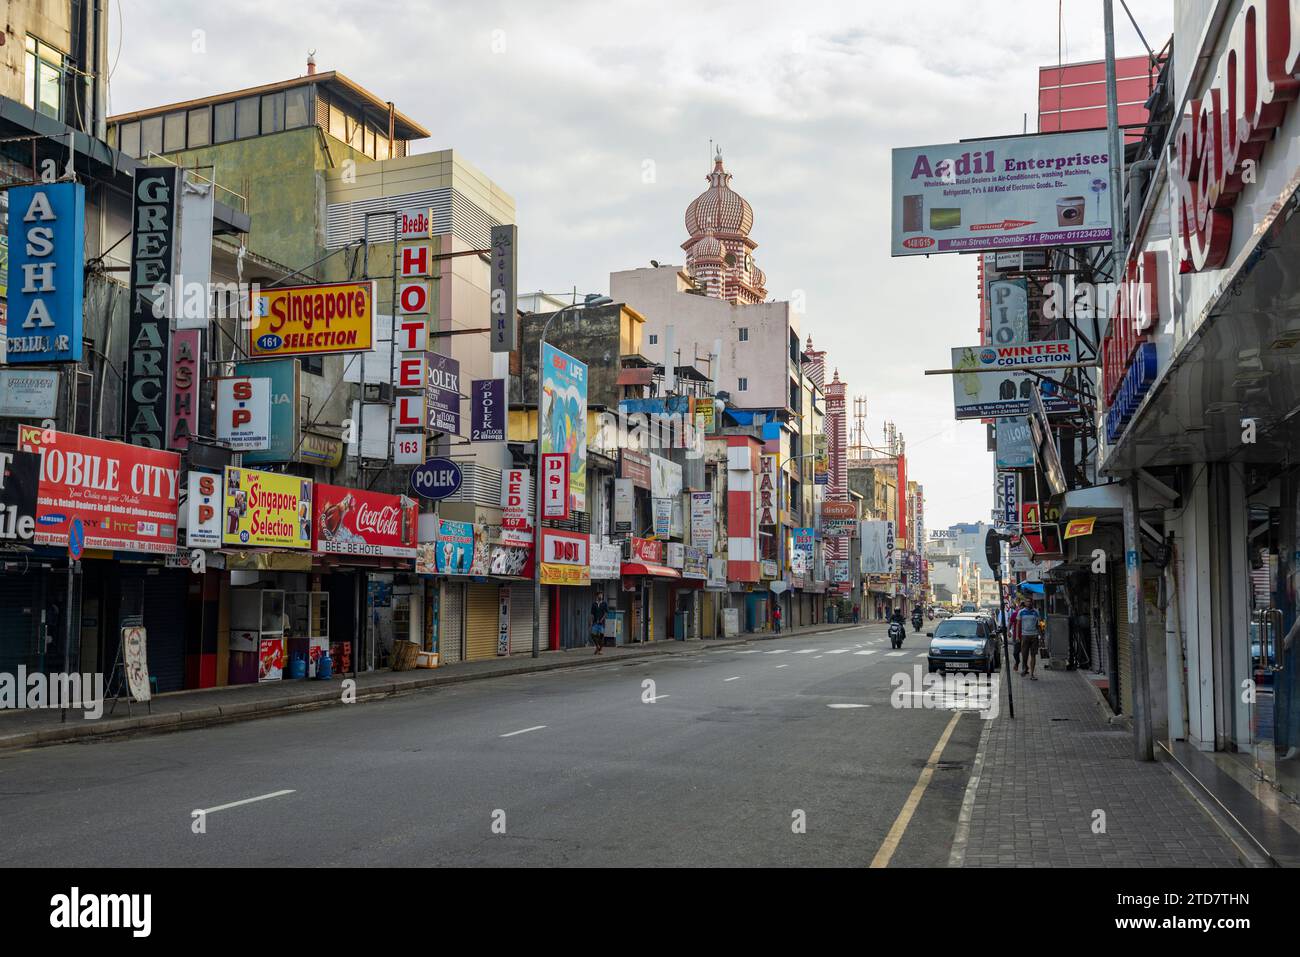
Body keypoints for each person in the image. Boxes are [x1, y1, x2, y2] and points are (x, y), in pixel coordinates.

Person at [1017, 599, 1042, 679]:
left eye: (1030, 601)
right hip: (1025, 635)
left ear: (1032, 603)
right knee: (1024, 655)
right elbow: (1018, 624)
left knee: (1033, 655)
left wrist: (1040, 636)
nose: (1029, 603)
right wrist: (1018, 636)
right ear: (1025, 603)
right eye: (1027, 601)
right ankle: (1025, 668)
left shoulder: (1036, 612)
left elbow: (1038, 625)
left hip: (1034, 636)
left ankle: (1032, 674)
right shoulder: (1021, 612)